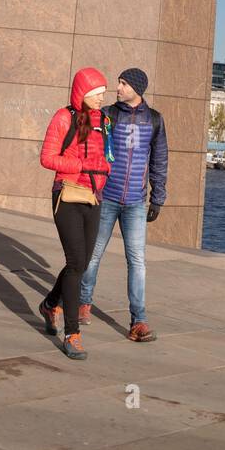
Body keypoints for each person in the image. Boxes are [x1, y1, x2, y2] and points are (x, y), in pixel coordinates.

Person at [79, 68, 168, 342]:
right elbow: (90, 148)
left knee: (137, 261)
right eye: (119, 82)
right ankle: (83, 303)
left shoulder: (154, 120)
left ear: (137, 89)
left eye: (124, 83)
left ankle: (138, 321)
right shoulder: (108, 114)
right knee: (93, 254)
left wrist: (158, 198)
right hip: (105, 198)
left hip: (135, 204)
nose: (117, 88)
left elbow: (159, 160)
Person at [37, 67, 113, 359]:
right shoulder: (63, 117)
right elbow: (47, 158)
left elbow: (106, 154)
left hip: (94, 196)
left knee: (81, 264)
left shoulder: (103, 121)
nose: (101, 98)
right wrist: (81, 166)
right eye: (96, 93)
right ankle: (72, 334)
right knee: (76, 261)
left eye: (103, 93)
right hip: (67, 193)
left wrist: (106, 168)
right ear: (82, 93)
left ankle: (49, 305)